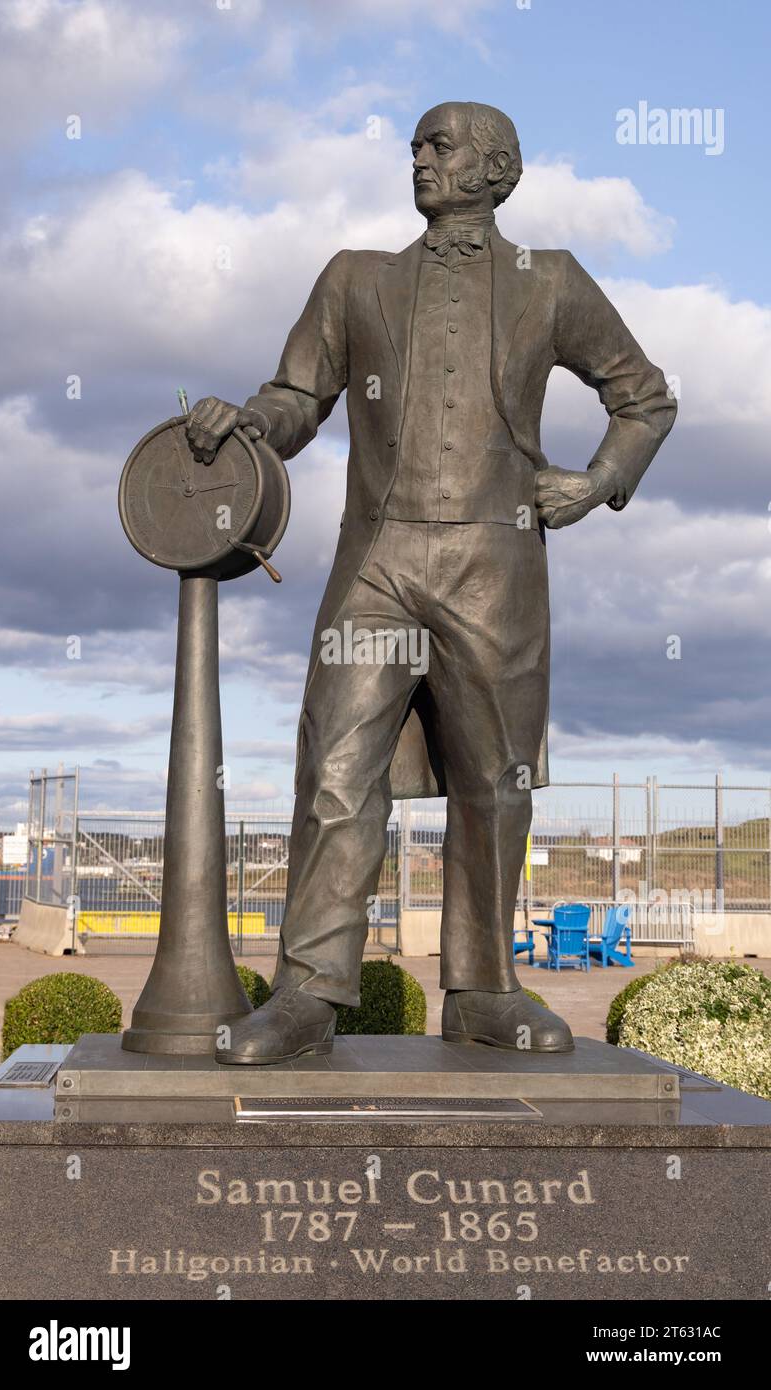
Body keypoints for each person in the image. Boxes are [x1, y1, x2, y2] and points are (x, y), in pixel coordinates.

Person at [187, 102, 676, 1065]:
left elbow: (645, 397)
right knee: (335, 767)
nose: (418, 158)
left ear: (497, 170)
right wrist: (244, 423)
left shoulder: (555, 282)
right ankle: (306, 994)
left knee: (498, 781)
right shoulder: (355, 279)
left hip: (497, 563)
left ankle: (485, 989)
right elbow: (296, 399)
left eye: (439, 145)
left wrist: (599, 481)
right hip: (377, 561)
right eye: (414, 144)